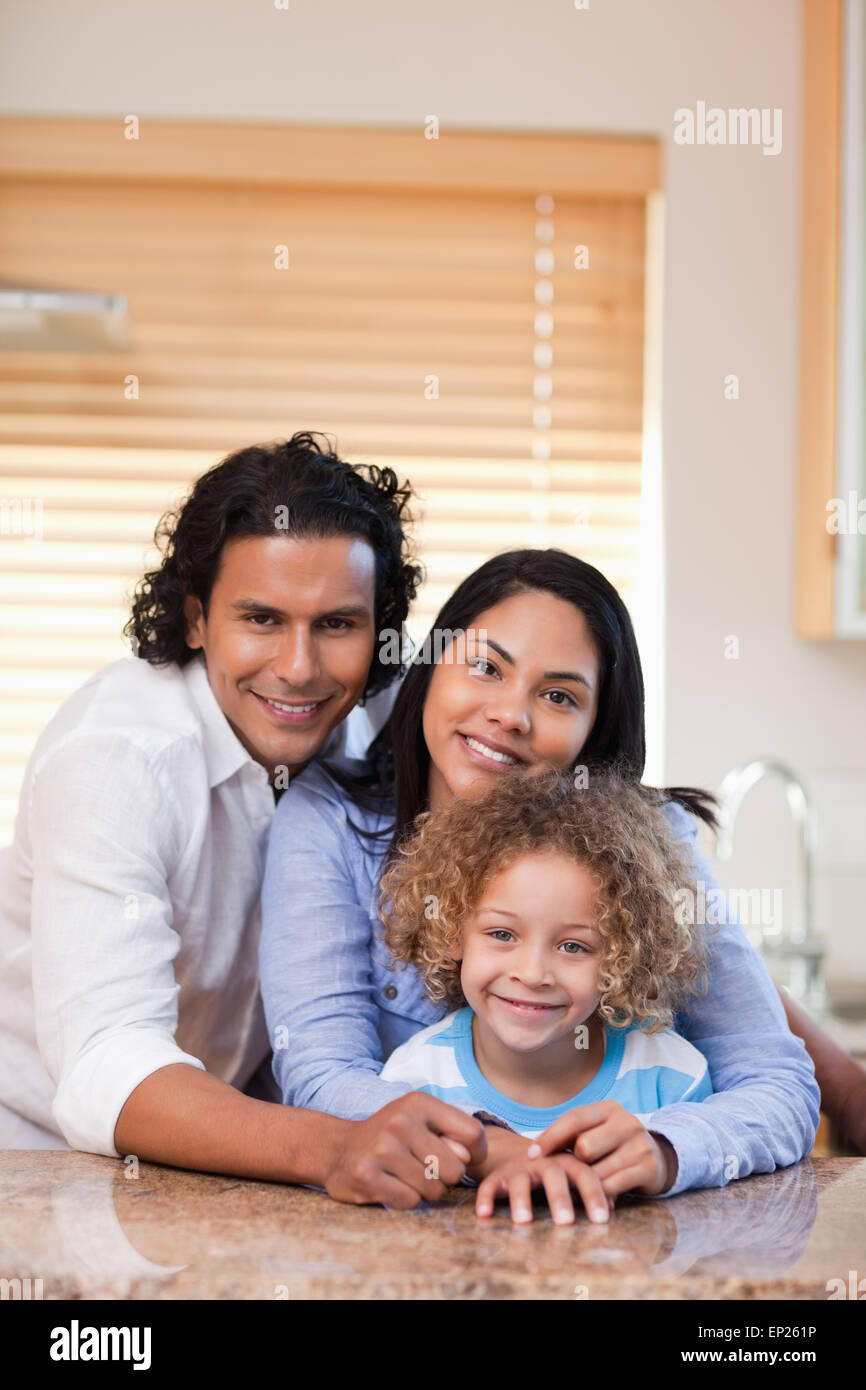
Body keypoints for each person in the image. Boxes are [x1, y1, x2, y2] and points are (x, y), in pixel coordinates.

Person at [259, 547, 824, 1220]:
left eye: (558, 695)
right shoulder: (329, 819)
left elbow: (772, 1077)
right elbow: (321, 1079)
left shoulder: (649, 840)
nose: (511, 715)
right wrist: (509, 1156)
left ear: (596, 728)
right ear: (431, 668)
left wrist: (667, 1151)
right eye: (486, 667)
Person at [0, 432, 487, 1205]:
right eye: (261, 619)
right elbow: (104, 1059)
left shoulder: (382, 728)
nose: (299, 668)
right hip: (41, 1166)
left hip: (228, 1153)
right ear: (196, 619)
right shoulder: (115, 761)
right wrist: (334, 1146)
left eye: (336, 625)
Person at [378, 765, 715, 1225]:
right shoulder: (411, 1083)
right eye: (501, 933)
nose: (533, 973)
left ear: (623, 953)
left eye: (573, 946)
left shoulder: (673, 1078)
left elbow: (711, 1232)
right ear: (453, 932)